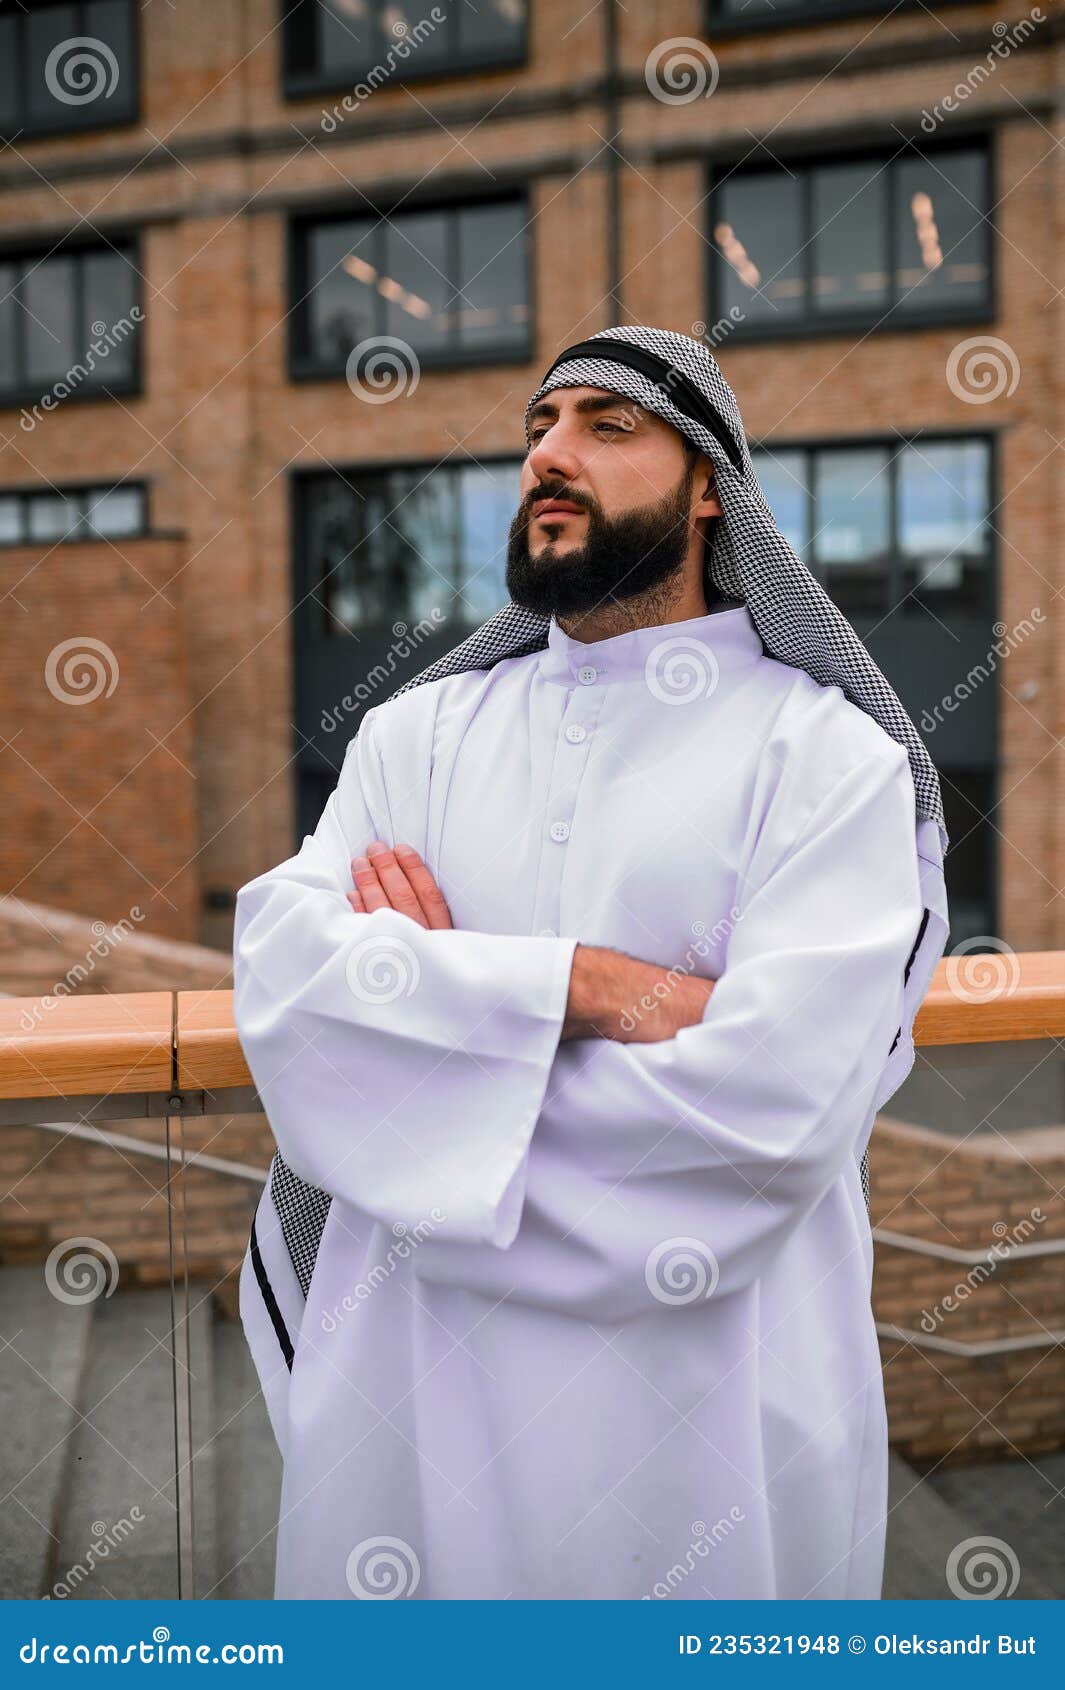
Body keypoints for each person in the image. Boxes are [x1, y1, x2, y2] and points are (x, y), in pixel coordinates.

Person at [232, 325, 949, 1601]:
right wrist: (580, 989)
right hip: (410, 1405)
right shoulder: (417, 734)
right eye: (538, 428)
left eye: (607, 428)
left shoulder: (829, 761)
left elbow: (771, 1118)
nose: (550, 456)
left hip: (709, 1429)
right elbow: (291, 989)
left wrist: (437, 1043)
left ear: (710, 485)